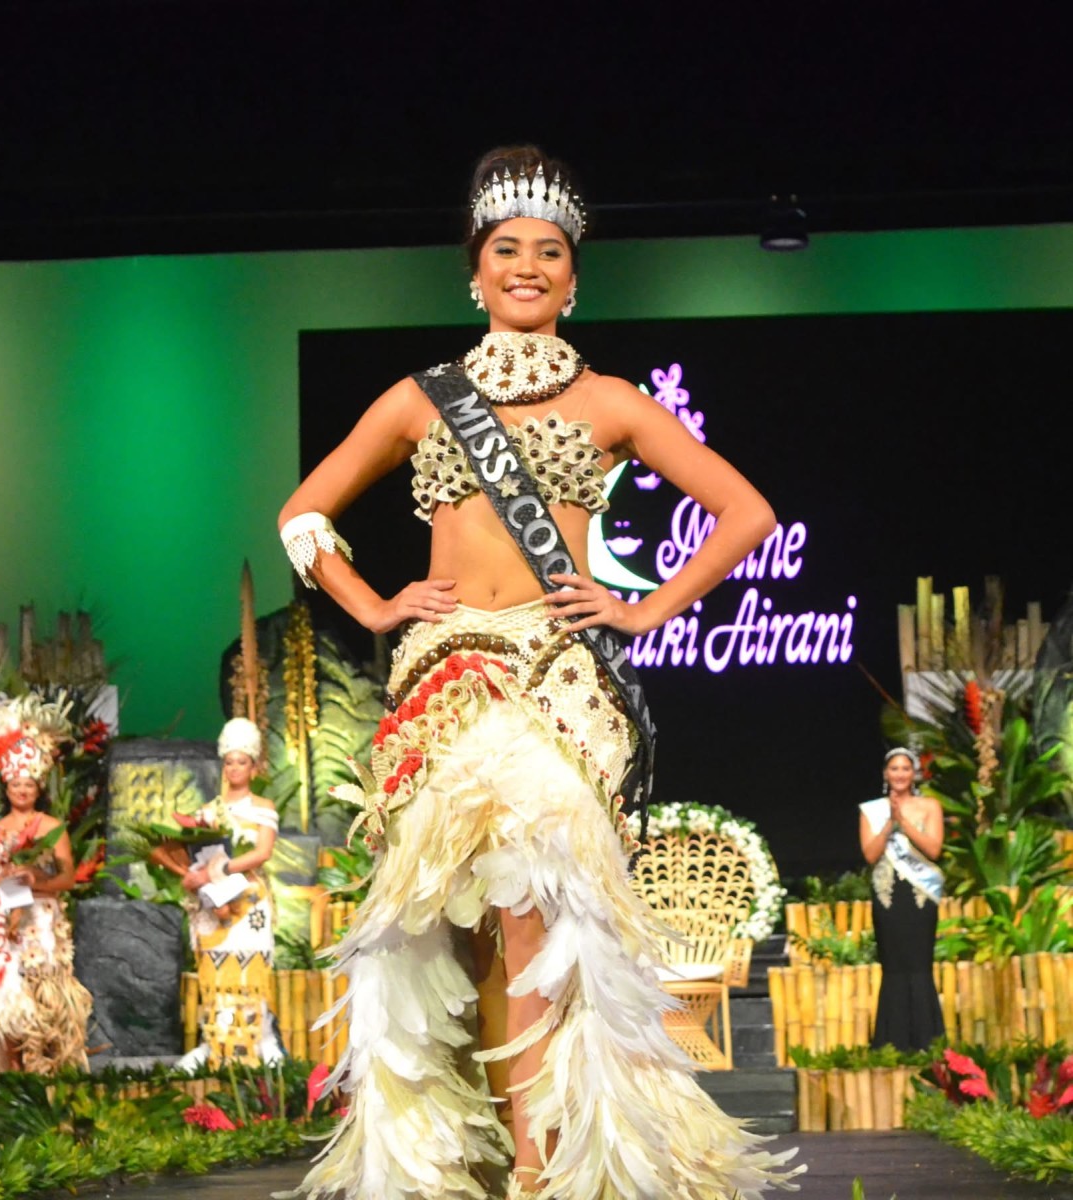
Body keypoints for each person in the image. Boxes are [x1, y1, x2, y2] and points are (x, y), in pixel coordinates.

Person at [278, 145, 802, 1198]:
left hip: (558, 675)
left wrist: (643, 608)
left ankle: (537, 1165)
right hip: (444, 678)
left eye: (549, 252)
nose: (527, 266)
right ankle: (465, 1155)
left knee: (535, 908)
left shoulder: (610, 402)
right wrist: (374, 606)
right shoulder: (419, 400)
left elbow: (746, 513)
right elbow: (302, 516)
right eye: (506, 249)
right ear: (474, 273)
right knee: (448, 923)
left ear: (573, 278)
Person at [171, 717, 283, 1070]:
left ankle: (257, 1045)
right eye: (230, 762)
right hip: (213, 901)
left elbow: (262, 852)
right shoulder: (207, 812)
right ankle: (215, 1046)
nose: (235, 768)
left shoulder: (263, 808)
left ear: (254, 766)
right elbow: (195, 855)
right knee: (215, 972)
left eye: (242, 762)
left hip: (248, 900)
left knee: (249, 970)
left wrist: (220, 869)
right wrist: (194, 876)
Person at [0, 698, 92, 1075]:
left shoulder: (51, 828)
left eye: (29, 784)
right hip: (4, 924)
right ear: (6, 786)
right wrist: (4, 881)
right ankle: (11, 1078)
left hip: (42, 922)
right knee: (9, 1006)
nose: (22, 790)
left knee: (45, 1003)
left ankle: (47, 1075)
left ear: (38, 787)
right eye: (16, 784)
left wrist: (37, 879)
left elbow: (67, 879)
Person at [859, 746, 946, 1052]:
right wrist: (889, 823)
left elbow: (934, 850)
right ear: (886, 774)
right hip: (888, 897)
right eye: (894, 769)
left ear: (914, 773)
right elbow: (870, 854)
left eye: (905, 768)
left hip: (920, 896)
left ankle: (927, 1041)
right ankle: (891, 1041)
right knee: (894, 966)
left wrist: (904, 823)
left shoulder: (930, 806)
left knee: (920, 965)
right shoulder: (871, 810)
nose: (899, 774)